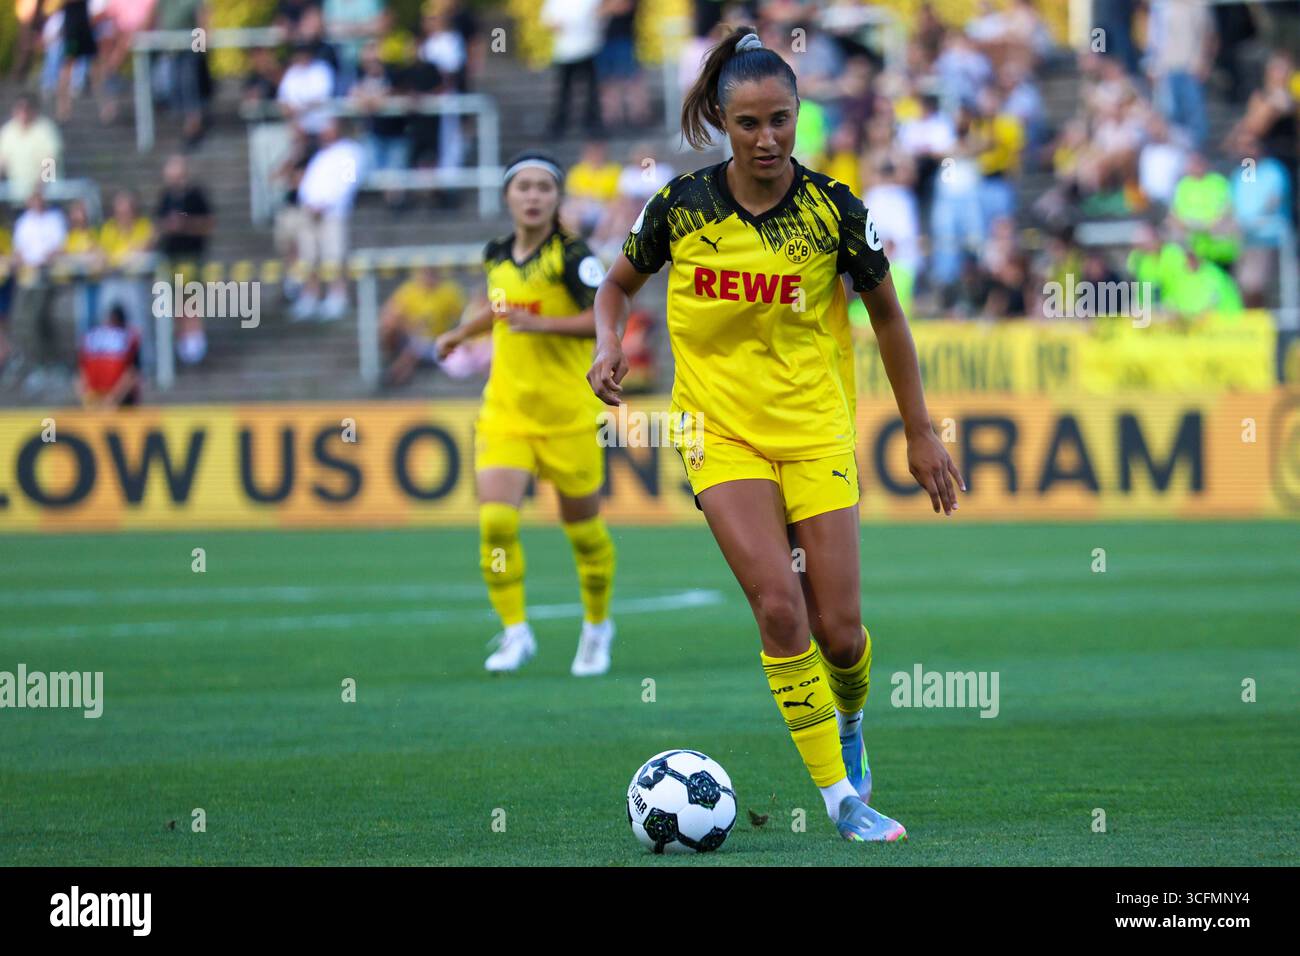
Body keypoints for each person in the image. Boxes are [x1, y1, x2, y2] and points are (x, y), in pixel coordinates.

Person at [587, 28, 963, 844]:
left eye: (781, 121)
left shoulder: (833, 211)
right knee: (778, 609)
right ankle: (840, 799)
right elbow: (614, 288)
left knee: (842, 632)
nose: (767, 139)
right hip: (716, 431)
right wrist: (608, 342)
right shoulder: (680, 207)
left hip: (816, 430)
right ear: (724, 122)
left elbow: (889, 318)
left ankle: (851, 725)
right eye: (750, 123)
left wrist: (920, 433)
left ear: (800, 116)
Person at [435, 151, 617, 677]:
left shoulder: (574, 256)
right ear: (508, 196)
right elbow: (500, 310)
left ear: (557, 197)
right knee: (494, 523)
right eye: (523, 187)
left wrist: (544, 327)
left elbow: (604, 316)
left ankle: (597, 627)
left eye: (543, 187)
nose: (533, 196)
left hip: (567, 415)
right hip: (507, 412)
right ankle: (516, 631)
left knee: (583, 534)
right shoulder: (496, 254)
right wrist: (461, 333)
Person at [379, 265, 466, 385]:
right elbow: (389, 314)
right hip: (411, 337)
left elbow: (464, 315)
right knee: (392, 329)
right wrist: (411, 326)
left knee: (415, 349)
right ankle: (392, 365)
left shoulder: (448, 292)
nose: (428, 278)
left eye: (431, 275)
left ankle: (394, 377)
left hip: (436, 341)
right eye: (425, 274)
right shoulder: (409, 291)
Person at [77, 304, 141, 407]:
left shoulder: (90, 336)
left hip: (94, 397)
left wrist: (87, 400)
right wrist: (112, 399)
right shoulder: (129, 337)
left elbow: (80, 375)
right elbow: (132, 373)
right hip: (116, 399)